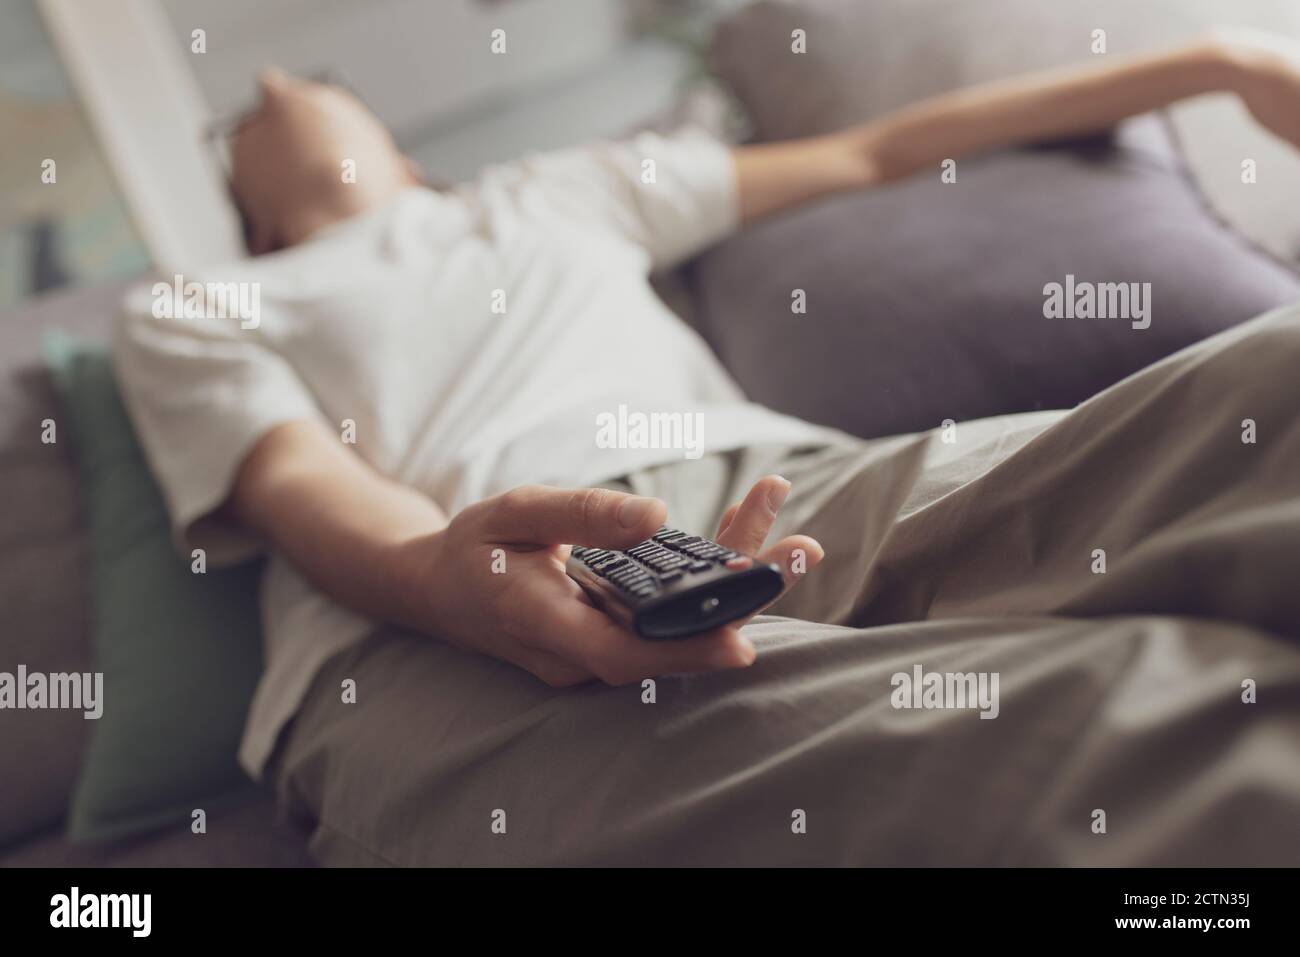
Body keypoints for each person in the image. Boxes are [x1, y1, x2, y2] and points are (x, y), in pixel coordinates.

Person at [114, 33, 1300, 866]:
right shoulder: (194, 304)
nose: (267, 76)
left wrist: (1215, 64)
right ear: (253, 220)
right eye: (242, 113)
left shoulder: (548, 194)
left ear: (414, 159)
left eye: (306, 76)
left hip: (777, 490)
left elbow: (878, 151)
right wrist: (444, 578)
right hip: (425, 622)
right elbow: (299, 485)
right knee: (1084, 738)